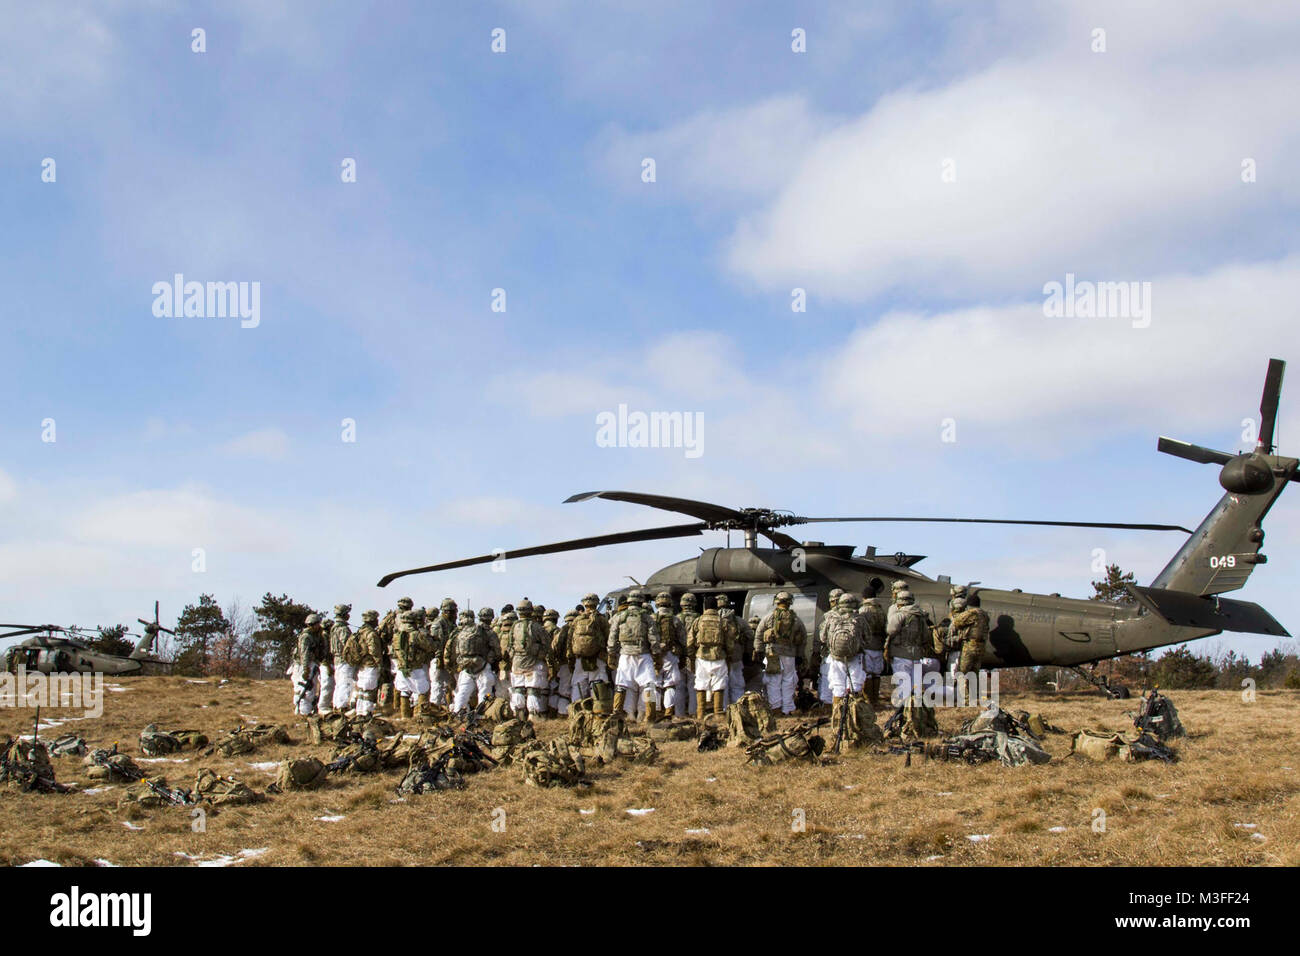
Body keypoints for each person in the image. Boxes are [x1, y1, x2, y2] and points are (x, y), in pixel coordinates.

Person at [608, 589, 662, 723]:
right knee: (650, 685)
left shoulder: (619, 617)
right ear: (640, 601)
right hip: (643, 655)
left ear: (629, 601)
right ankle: (650, 717)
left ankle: (618, 714)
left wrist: (611, 654)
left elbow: (612, 638)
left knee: (621, 685)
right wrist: (656, 656)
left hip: (625, 656)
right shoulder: (647, 617)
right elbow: (654, 639)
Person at [754, 591, 807, 715]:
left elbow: (759, 634)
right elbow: (803, 638)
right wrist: (799, 655)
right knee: (789, 680)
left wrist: (758, 650)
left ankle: (775, 708)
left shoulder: (769, 617)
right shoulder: (796, 619)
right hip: (790, 655)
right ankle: (788, 708)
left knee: (773, 681)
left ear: (776, 602)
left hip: (772, 654)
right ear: (790, 603)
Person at [823, 592, 868, 730]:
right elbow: (868, 637)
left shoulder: (830, 617)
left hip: (836, 658)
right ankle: (854, 719)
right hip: (855, 657)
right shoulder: (859, 618)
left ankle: (837, 719)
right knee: (855, 685)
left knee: (838, 687)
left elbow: (823, 637)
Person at [447, 608, 500, 711]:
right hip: (482, 665)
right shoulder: (488, 631)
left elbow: (456, 650)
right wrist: (494, 660)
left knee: (463, 691)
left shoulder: (462, 632)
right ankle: (482, 713)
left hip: (466, 666)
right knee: (484, 691)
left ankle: (457, 712)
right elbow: (496, 649)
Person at [885, 589, 931, 705]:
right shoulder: (920, 617)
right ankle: (914, 709)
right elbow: (926, 636)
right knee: (915, 684)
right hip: (916, 655)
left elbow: (890, 630)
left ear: (899, 602)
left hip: (901, 654)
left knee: (902, 683)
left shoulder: (899, 615)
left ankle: (902, 709)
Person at [504, 599, 549, 719]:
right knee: (532, 689)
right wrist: (540, 655)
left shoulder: (514, 626)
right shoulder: (536, 627)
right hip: (533, 662)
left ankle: (519, 713)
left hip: (517, 662)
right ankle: (533, 715)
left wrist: (515, 656)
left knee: (518, 688)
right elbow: (546, 645)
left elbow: (509, 645)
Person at [568, 593, 610, 705]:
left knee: (578, 684)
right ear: (596, 603)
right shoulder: (601, 619)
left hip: (580, 657)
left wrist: (570, 656)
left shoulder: (577, 620)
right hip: (597, 657)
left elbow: (570, 639)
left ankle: (577, 711)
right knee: (597, 683)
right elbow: (608, 637)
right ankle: (598, 709)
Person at [653, 591, 686, 718]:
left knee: (651, 685)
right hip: (670, 656)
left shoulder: (650, 618)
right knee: (670, 685)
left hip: (653, 656)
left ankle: (652, 711)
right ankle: (668, 712)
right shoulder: (675, 620)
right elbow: (683, 640)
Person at [345, 610, 384, 717]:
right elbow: (374, 651)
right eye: (376, 619)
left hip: (362, 665)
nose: (377, 621)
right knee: (369, 690)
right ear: (372, 620)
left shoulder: (360, 632)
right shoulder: (371, 634)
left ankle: (360, 711)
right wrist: (380, 664)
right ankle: (367, 712)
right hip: (370, 665)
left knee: (362, 689)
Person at [715, 595, 750, 706]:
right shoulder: (739, 621)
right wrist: (747, 652)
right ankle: (738, 707)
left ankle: (724, 709)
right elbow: (750, 636)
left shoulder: (714, 620)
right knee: (737, 684)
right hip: (736, 656)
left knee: (721, 684)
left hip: (720, 657)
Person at [291, 614, 327, 716]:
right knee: (305, 689)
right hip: (304, 665)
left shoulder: (315, 635)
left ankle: (306, 710)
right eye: (317, 624)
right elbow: (304, 654)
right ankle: (303, 712)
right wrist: (306, 669)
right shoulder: (306, 637)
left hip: (311, 664)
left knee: (310, 688)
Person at [858, 593, 888, 707]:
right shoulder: (881, 611)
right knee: (877, 673)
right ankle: (875, 698)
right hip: (879, 646)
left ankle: (868, 699)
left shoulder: (862, 610)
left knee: (868, 674)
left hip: (867, 646)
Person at [428, 598, 459, 708]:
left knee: (452, 684)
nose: (456, 614)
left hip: (449, 659)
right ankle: (434, 708)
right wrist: (440, 659)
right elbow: (437, 643)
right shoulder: (439, 623)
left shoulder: (451, 624)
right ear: (447, 611)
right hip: (439, 659)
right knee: (437, 685)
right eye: (454, 611)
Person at [676, 593, 701, 715]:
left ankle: (679, 714)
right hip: (694, 656)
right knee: (693, 686)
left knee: (679, 687)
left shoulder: (677, 618)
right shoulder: (699, 618)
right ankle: (693, 712)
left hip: (680, 657)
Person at [329, 604, 354, 714]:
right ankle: (342, 707)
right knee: (345, 683)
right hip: (344, 659)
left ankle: (336, 705)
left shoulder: (334, 628)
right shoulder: (343, 629)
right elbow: (347, 644)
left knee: (339, 683)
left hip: (337, 659)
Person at [547, 608, 573, 716]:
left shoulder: (561, 631)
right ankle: (564, 712)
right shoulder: (574, 629)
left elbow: (553, 648)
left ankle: (557, 711)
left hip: (562, 664)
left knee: (561, 689)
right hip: (577, 663)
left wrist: (553, 664)